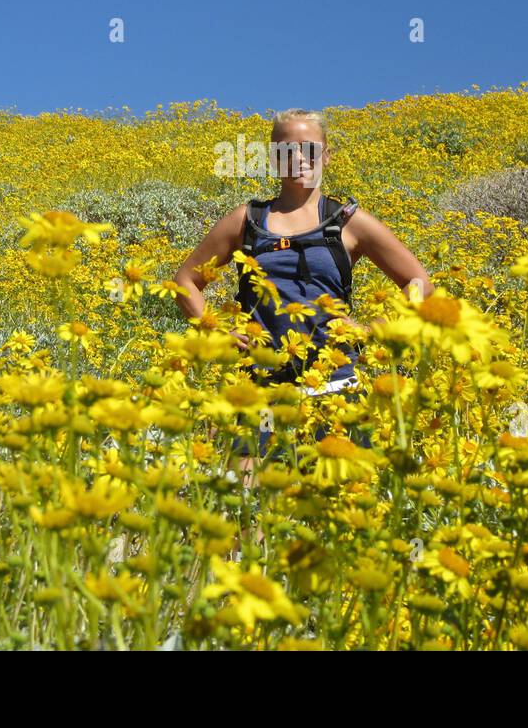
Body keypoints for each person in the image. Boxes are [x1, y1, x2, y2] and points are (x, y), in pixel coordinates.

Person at [172, 108, 433, 473]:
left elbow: (419, 283)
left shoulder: (347, 222)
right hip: (257, 385)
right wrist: (213, 330)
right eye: (284, 150)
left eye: (308, 149)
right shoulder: (246, 221)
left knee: (336, 501)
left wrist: (376, 332)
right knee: (250, 513)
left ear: (326, 155)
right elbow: (185, 282)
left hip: (336, 385)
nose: (297, 159)